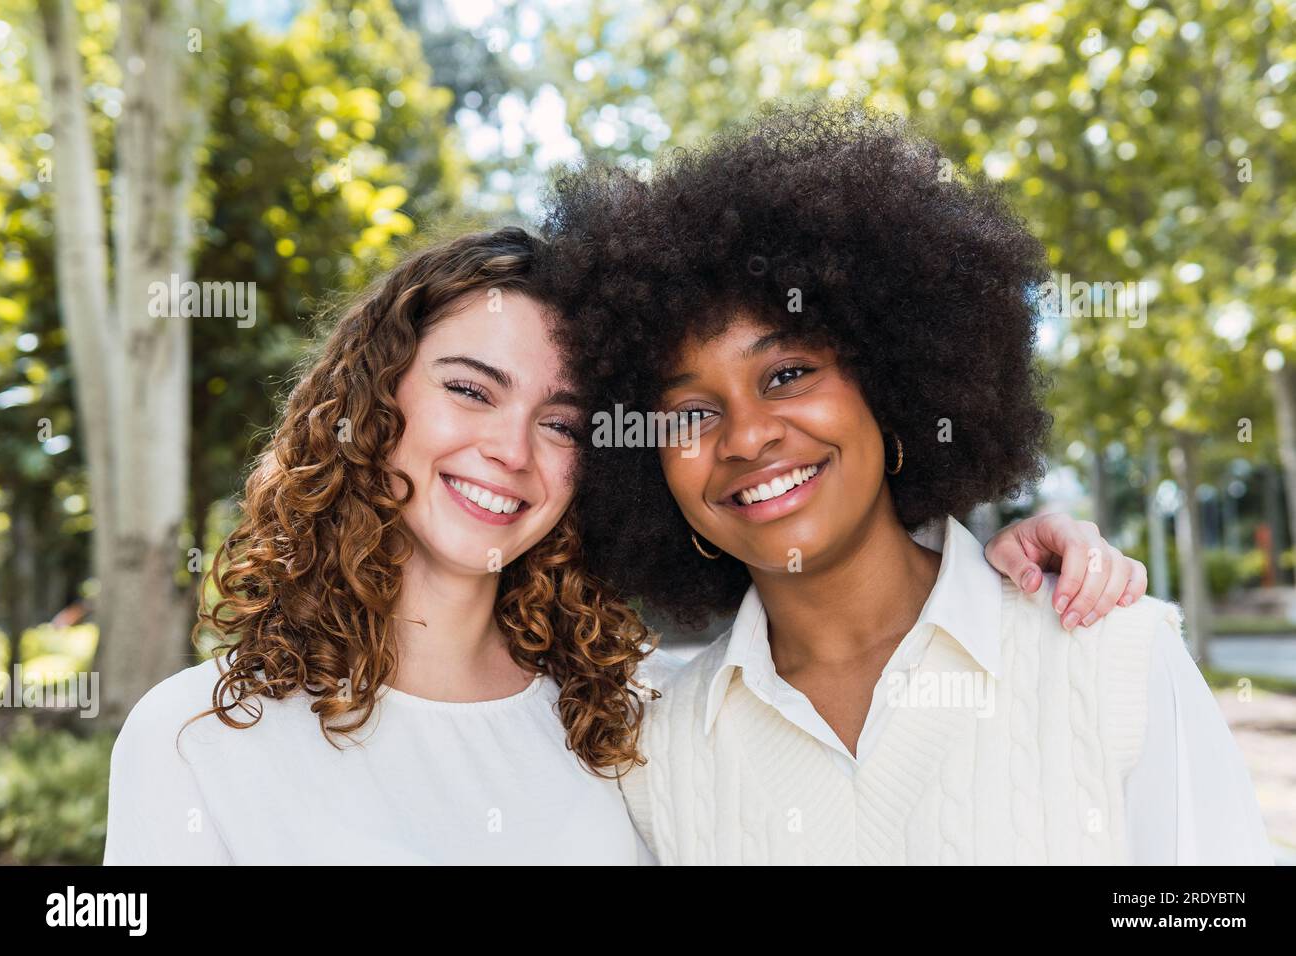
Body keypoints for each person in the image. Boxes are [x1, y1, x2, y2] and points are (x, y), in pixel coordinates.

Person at [104, 226, 1144, 866]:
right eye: (470, 388)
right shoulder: (198, 738)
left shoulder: (639, 719)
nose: (508, 450)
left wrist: (989, 550)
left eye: (558, 421)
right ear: (373, 406)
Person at [538, 100, 1272, 864]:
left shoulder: (1108, 652)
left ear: (890, 387)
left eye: (788, 374)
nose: (749, 435)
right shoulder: (659, 756)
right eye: (689, 413)